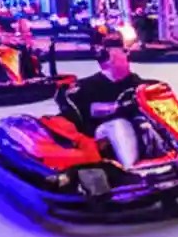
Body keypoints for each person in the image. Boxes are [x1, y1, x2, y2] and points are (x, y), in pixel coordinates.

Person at [57, 32, 155, 166]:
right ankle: (132, 166)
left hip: (135, 124)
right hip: (103, 130)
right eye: (123, 52)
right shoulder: (88, 86)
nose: (127, 56)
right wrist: (120, 106)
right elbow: (92, 110)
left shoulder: (136, 82)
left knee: (152, 122)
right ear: (108, 59)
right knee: (119, 124)